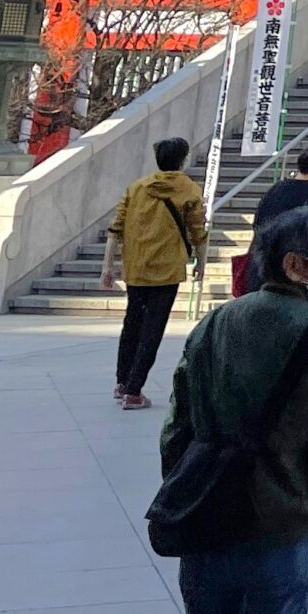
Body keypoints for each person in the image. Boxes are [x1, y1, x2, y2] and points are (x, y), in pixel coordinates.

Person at [162, 208, 308, 614]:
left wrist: (189, 486)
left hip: (209, 514)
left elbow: (176, 427)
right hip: (285, 523)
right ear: (295, 265)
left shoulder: (214, 324)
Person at [104, 136, 207, 410]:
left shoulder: (137, 187)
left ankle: (122, 382)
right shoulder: (189, 189)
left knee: (132, 324)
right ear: (182, 160)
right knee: (152, 330)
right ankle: (134, 391)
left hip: (137, 266)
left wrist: (107, 266)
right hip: (167, 269)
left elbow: (116, 228)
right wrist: (201, 262)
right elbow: (198, 232)